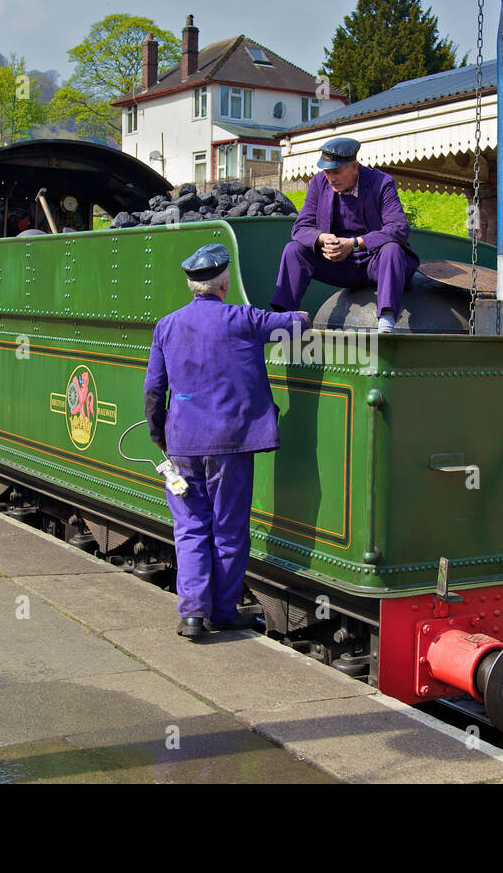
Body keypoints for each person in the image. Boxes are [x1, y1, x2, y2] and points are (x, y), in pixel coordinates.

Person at [143, 244, 310, 639]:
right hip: (230, 446)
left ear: (190, 285)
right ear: (225, 282)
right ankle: (222, 611)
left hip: (182, 445)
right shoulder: (243, 319)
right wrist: (305, 313)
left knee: (189, 526)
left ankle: (192, 615)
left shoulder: (166, 325)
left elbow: (153, 389)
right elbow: (294, 324)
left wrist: (158, 433)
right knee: (229, 528)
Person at [269, 137, 419, 333]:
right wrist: (324, 239)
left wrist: (354, 243)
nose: (331, 177)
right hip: (341, 263)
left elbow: (399, 228)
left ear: (354, 166)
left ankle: (387, 320)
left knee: (392, 249)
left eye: (336, 171)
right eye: (327, 171)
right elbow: (300, 228)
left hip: (375, 261)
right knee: (293, 250)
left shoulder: (382, 183)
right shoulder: (318, 183)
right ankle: (284, 318)